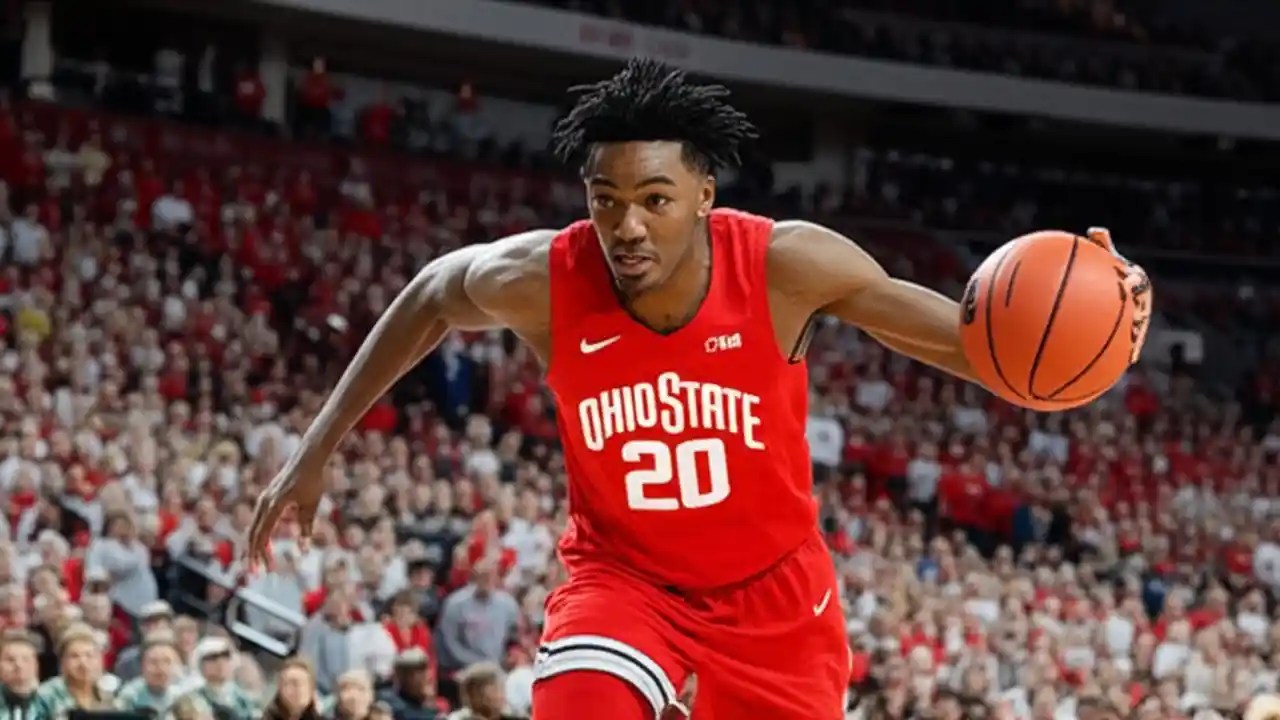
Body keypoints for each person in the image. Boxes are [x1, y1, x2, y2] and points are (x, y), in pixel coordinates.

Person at [246, 57, 1151, 719]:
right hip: (623, 579)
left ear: (705, 192)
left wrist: (1096, 315)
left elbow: (973, 342)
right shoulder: (546, 280)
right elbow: (430, 294)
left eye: (654, 198)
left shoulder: (787, 266)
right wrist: (315, 448)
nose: (626, 225)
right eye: (605, 199)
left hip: (775, 598)